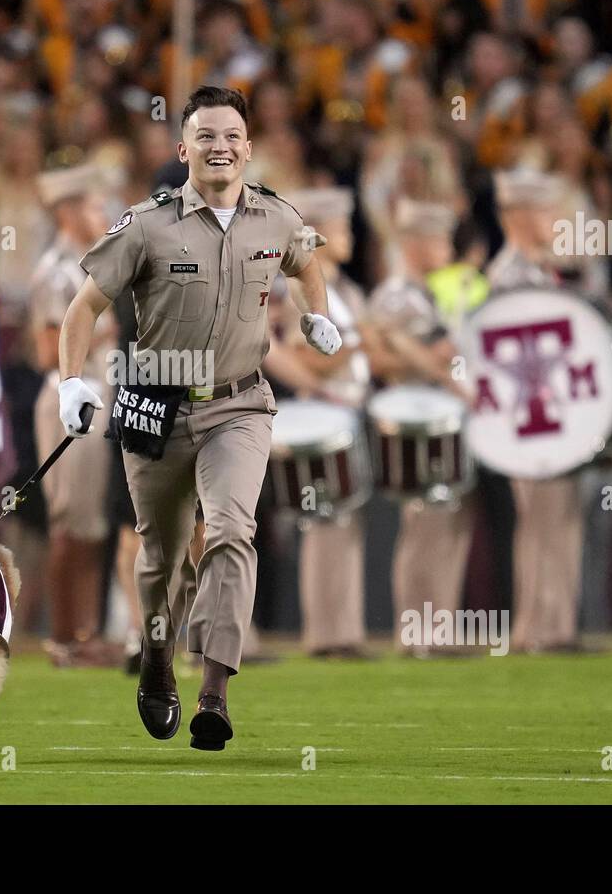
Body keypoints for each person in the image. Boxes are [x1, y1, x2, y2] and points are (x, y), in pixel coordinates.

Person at [57, 86, 340, 750]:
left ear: (248, 145)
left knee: (231, 532)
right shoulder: (146, 225)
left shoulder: (276, 216)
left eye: (232, 135)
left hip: (240, 402)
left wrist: (317, 313)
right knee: (161, 561)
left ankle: (214, 690)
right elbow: (82, 309)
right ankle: (158, 661)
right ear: (184, 148)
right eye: (206, 135)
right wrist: (71, 382)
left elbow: (307, 259)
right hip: (158, 402)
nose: (220, 146)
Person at [486, 168, 586, 653]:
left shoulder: (541, 271)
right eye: (547, 211)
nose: (556, 220)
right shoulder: (509, 275)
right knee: (542, 517)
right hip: (529, 418)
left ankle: (556, 625)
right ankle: (538, 628)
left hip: (553, 414)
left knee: (560, 516)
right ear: (520, 216)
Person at [370, 200, 473, 656]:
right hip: (413, 421)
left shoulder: (429, 294)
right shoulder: (397, 296)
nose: (448, 249)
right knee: (423, 525)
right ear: (416, 244)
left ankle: (440, 628)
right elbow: (384, 357)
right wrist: (434, 364)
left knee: (448, 524)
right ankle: (416, 632)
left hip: (442, 419)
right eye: (441, 240)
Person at [28, 163, 118, 667]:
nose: (102, 214)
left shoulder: (92, 265)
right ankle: (64, 637)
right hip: (69, 401)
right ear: (67, 210)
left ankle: (83, 633)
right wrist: (101, 328)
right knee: (70, 523)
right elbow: (45, 353)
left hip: (98, 398)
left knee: (89, 524)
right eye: (92, 206)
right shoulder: (57, 270)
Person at [279, 186, 372, 658]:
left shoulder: (344, 288)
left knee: (344, 521)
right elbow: (308, 360)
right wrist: (365, 343)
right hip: (323, 412)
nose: (349, 234)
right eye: (340, 227)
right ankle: (324, 634)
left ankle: (346, 631)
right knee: (323, 521)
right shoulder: (308, 289)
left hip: (347, 412)